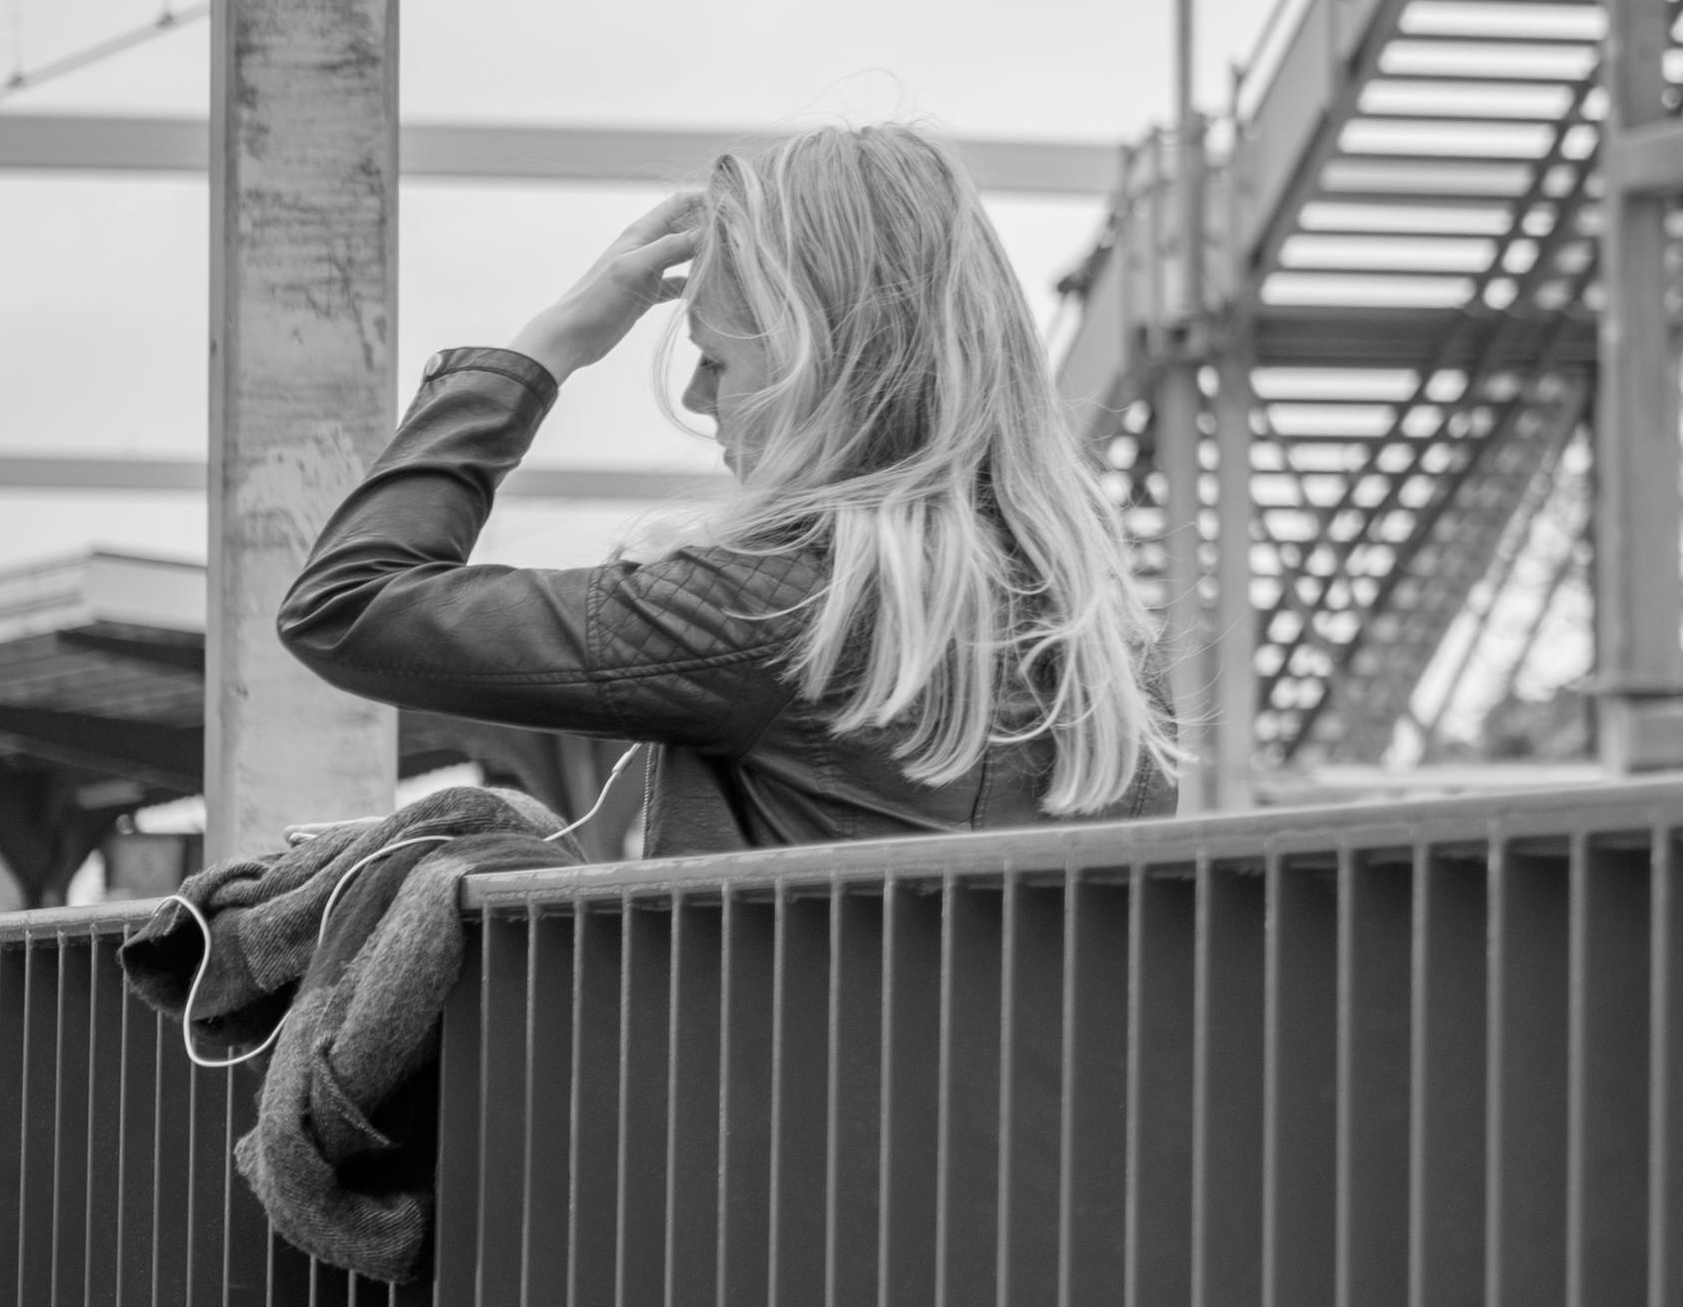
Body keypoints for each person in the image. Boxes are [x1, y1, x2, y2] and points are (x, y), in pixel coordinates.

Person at [278, 125, 1175, 856]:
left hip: (805, 1081)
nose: (699, 398)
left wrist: (544, 348)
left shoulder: (775, 608)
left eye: (717, 361)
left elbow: (346, 606)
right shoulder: (1101, 639)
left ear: (814, 373)